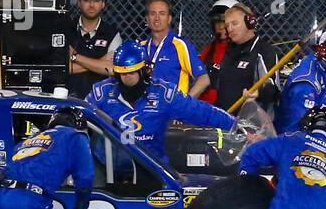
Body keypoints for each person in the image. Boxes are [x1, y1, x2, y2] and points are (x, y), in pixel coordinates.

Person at [86, 41, 237, 167]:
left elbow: (203, 112)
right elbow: (78, 116)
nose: (127, 78)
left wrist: (236, 125)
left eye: (132, 72)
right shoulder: (101, 93)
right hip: (106, 169)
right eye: (122, 73)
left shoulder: (164, 94)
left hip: (152, 170)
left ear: (145, 70)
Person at [274, 28, 326, 135]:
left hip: (317, 132)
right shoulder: (306, 82)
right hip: (292, 139)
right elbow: (298, 127)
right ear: (322, 50)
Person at [213, 3, 280, 115]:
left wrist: (258, 93)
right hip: (226, 120)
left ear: (250, 22)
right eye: (227, 25)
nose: (230, 29)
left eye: (234, 23)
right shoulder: (228, 51)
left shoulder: (264, 51)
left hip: (253, 125)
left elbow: (273, 90)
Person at [142, 0, 208, 97]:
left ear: (169, 19)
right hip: (146, 109)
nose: (157, 18)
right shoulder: (140, 48)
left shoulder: (180, 45)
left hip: (172, 110)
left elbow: (204, 79)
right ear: (147, 19)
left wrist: (186, 103)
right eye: (152, 13)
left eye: (162, 13)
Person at [66, 0, 121, 101]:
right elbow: (61, 68)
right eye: (87, 0)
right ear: (79, 3)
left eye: (96, 1)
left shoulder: (112, 33)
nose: (91, 5)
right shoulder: (65, 29)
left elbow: (112, 69)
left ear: (103, 5)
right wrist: (100, 62)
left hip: (101, 101)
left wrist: (75, 57)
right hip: (68, 96)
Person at [199, 0, 237, 104]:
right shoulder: (209, 49)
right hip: (206, 107)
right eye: (217, 22)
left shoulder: (242, 50)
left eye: (223, 22)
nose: (220, 26)